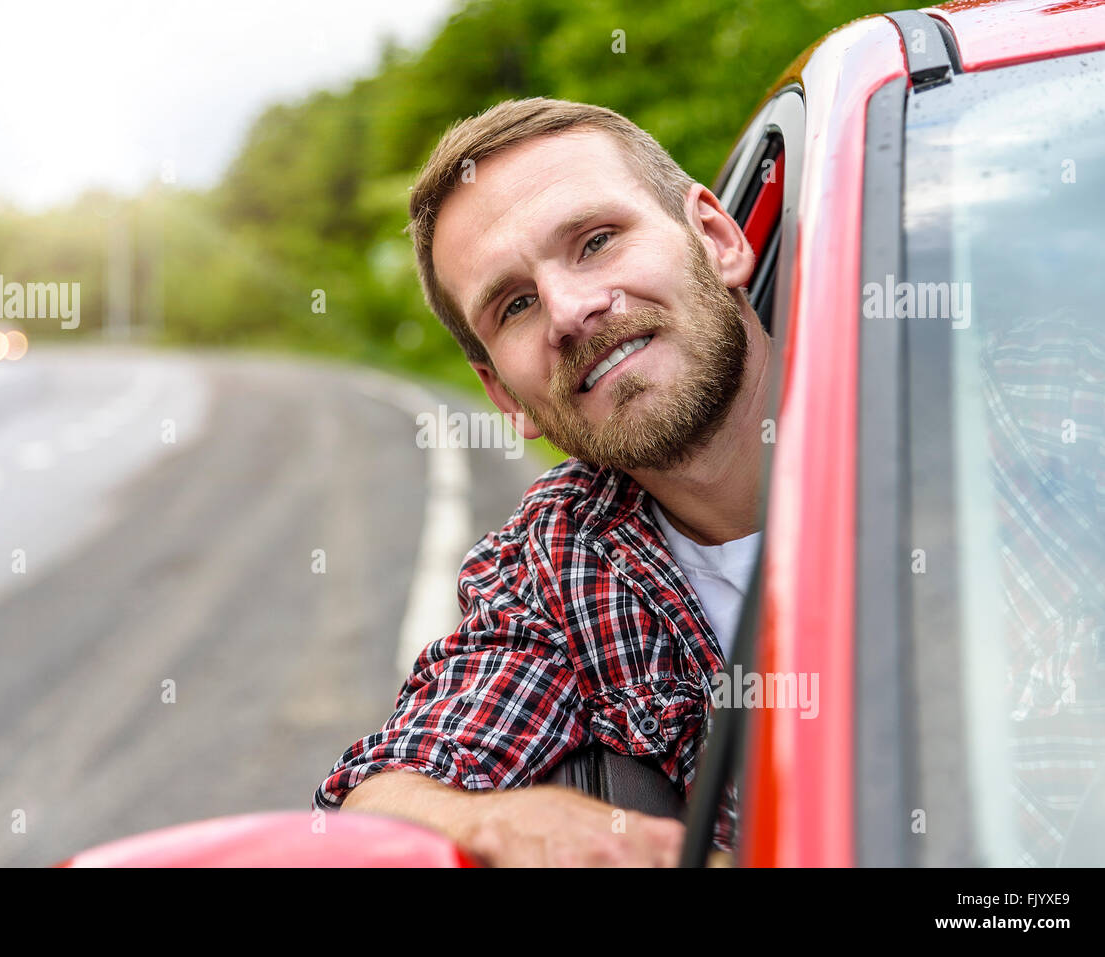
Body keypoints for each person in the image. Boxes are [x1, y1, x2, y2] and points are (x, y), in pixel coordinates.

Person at [311, 97, 772, 866]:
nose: (569, 310)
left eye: (596, 241)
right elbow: (371, 803)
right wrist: (497, 824)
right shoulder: (562, 566)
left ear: (717, 237)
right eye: (515, 303)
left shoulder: (998, 408)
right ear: (502, 395)